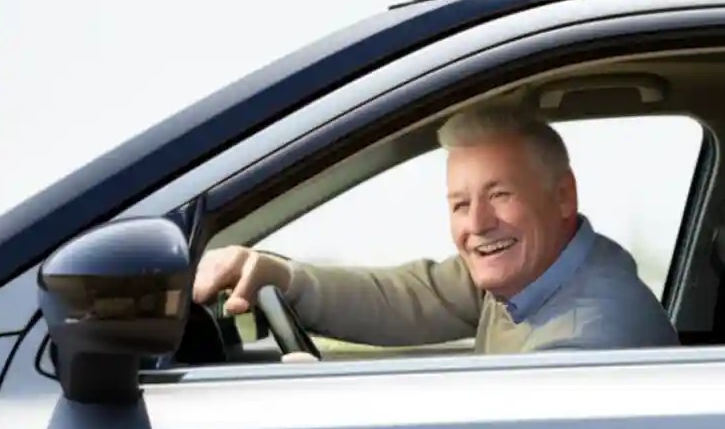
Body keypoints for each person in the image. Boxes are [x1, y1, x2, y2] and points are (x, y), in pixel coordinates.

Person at [192, 104, 678, 354]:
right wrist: (283, 277)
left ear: (563, 196)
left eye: (500, 195)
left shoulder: (585, 342)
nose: (477, 223)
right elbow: (401, 297)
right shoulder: (534, 274)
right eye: (460, 204)